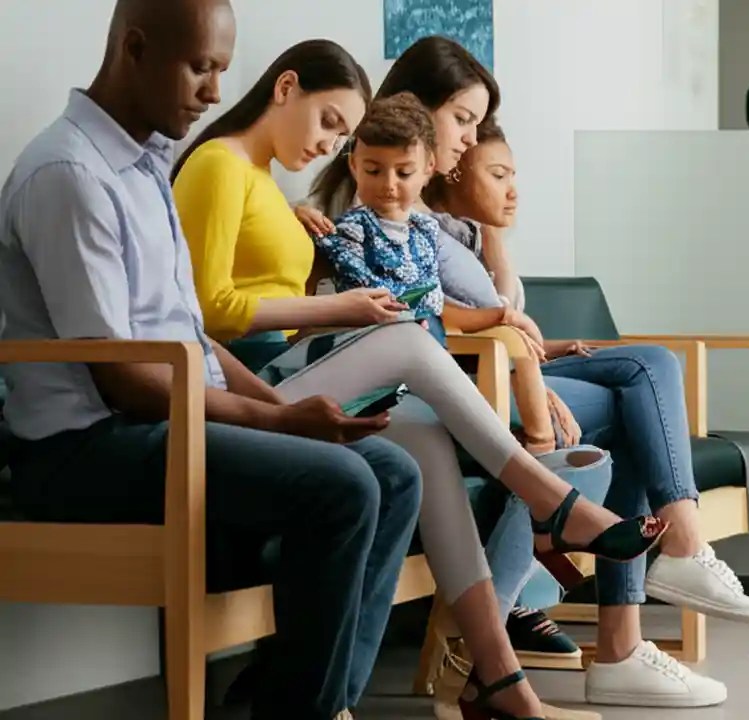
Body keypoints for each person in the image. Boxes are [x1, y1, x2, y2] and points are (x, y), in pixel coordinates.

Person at [170, 39, 663, 720]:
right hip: (250, 384)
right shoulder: (221, 168)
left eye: (343, 132)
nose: (331, 144)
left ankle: (497, 680)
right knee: (403, 337)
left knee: (427, 446)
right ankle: (550, 499)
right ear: (285, 89)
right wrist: (337, 306)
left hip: (302, 374)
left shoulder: (260, 178)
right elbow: (202, 313)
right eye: (331, 125)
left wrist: (299, 237)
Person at [0, 2, 419, 719]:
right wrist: (280, 424)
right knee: (343, 486)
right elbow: (128, 381)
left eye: (221, 71)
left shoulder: (143, 167)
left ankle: (320, 703)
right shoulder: (68, 173)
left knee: (395, 472)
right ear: (134, 48)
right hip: (81, 448)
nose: (216, 93)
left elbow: (193, 337)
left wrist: (283, 410)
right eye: (201, 68)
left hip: (151, 426)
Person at [427, 121, 749, 708]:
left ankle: (638, 622)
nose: (513, 189)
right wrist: (531, 375)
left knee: (647, 378)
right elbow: (449, 328)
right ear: (451, 166)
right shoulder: (413, 228)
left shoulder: (467, 234)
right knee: (640, 385)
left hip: (516, 370)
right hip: (481, 386)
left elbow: (505, 311)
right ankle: (654, 591)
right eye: (499, 174)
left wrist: (494, 239)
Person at [313, 92, 560, 457]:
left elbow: (435, 303)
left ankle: (542, 453)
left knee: (511, 350)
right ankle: (528, 467)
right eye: (373, 170)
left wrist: (498, 315)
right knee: (465, 413)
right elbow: (373, 297)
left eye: (404, 171)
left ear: (429, 168)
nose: (389, 184)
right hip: (380, 362)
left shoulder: (427, 231)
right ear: (354, 166)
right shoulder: (352, 230)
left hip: (434, 357)